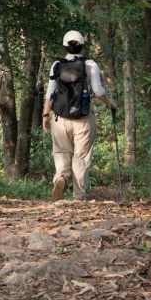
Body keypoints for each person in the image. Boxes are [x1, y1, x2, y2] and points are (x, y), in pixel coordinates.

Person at [42, 30, 117, 201]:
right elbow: (98, 91)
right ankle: (79, 196)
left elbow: (50, 92)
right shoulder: (90, 65)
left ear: (65, 47)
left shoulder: (57, 65)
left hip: (60, 118)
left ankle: (61, 177)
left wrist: (45, 115)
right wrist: (110, 104)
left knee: (61, 152)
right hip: (83, 117)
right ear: (83, 45)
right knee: (81, 157)